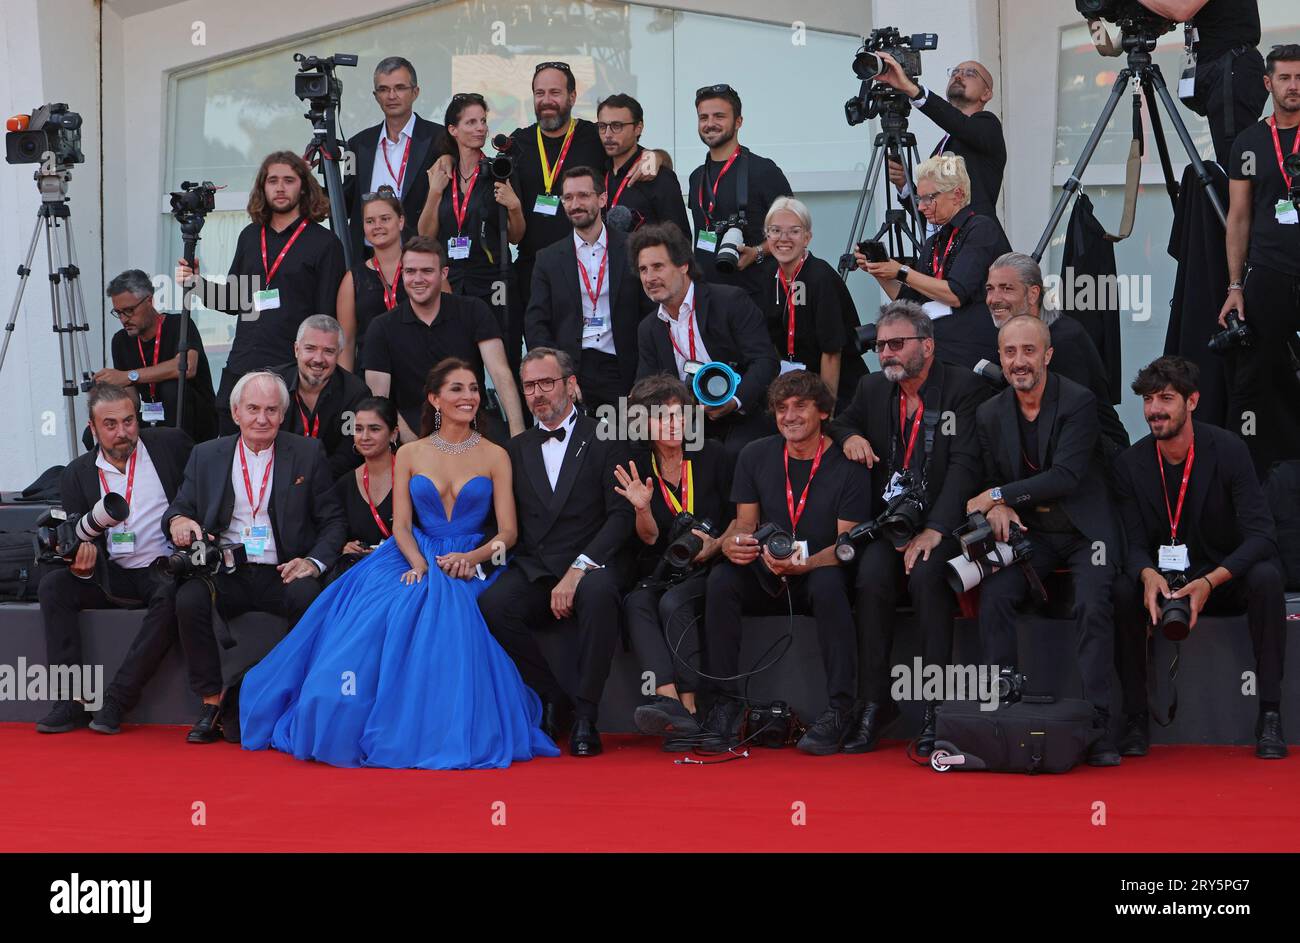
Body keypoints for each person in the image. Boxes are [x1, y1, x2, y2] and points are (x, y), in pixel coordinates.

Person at [239, 359, 559, 769]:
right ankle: (352, 715)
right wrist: (421, 564)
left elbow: (508, 533)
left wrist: (471, 557)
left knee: (454, 620)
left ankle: (432, 727)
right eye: (457, 389)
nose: (469, 397)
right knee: (382, 614)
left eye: (474, 389)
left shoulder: (496, 455)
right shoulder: (409, 453)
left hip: (470, 559)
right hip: (410, 555)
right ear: (434, 398)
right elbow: (402, 526)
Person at [827, 301, 989, 756]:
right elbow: (841, 421)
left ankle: (938, 708)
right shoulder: (872, 387)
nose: (886, 355)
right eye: (880, 346)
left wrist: (936, 529)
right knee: (872, 577)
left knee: (925, 575)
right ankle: (875, 703)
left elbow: (965, 464)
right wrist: (850, 437)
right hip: (890, 521)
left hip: (945, 519)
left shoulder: (963, 387)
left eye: (897, 344)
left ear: (928, 346)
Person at [1112, 356, 1287, 759]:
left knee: (1266, 577)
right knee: (1122, 586)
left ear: (1192, 402)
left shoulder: (1228, 450)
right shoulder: (1130, 464)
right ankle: (1136, 717)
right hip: (1162, 583)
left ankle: (1270, 713)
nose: (1154, 410)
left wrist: (1211, 581)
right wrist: (1146, 573)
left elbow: (1262, 535)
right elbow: (1131, 540)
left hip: (1217, 579)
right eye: (1149, 399)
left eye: (1166, 398)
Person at [690, 370, 869, 756]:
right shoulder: (755, 454)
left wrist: (806, 565)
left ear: (823, 412)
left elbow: (846, 544)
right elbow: (745, 523)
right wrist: (736, 544)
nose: (790, 416)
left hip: (819, 570)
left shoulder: (848, 462)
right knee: (721, 580)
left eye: (800, 406)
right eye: (781, 408)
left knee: (828, 585)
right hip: (767, 569)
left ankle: (840, 708)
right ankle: (723, 704)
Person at [969, 315, 1121, 766]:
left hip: (1084, 531)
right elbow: (984, 479)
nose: (1019, 361)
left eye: (1029, 351)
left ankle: (1099, 724)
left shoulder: (1079, 401)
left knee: (1093, 604)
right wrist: (997, 507)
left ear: (1048, 355)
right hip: (1031, 534)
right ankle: (1004, 713)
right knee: (994, 595)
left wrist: (997, 496)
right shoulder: (988, 413)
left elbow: (1067, 477)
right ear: (1000, 357)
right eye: (1010, 352)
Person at [164, 371, 346, 745]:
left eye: (271, 410)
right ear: (235, 413)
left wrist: (312, 563)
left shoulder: (307, 453)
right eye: (253, 409)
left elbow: (333, 522)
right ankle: (212, 703)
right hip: (228, 570)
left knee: (310, 599)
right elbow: (179, 509)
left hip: (284, 568)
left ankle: (298, 697)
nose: (262, 419)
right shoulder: (206, 455)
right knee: (188, 598)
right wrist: (180, 521)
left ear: (282, 415)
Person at [478, 347, 635, 757]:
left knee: (599, 595)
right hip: (535, 567)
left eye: (546, 383)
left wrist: (579, 569)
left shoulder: (607, 436)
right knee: (494, 603)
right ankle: (550, 695)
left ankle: (586, 714)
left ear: (571, 385)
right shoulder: (515, 448)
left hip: (591, 563)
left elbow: (620, 518)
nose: (537, 393)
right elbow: (503, 521)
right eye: (529, 386)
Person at [34, 384, 193, 735]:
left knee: (173, 595)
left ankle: (118, 699)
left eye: (129, 421)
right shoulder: (77, 472)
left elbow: (200, 486)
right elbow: (75, 531)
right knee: (54, 587)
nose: (122, 433)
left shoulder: (170, 446)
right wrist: (79, 556)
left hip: (163, 567)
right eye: (110, 425)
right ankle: (69, 699)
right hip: (111, 572)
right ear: (92, 429)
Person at [177, 151, 346, 435]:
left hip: (290, 369)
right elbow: (235, 300)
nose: (280, 188)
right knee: (229, 449)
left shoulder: (324, 243)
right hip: (242, 362)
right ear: (262, 187)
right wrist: (197, 283)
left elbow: (325, 317)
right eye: (273, 181)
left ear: (303, 186)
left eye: (289, 180)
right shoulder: (250, 235)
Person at [613, 375, 733, 741]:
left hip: (715, 565)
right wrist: (642, 508)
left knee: (672, 603)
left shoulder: (714, 454)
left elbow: (743, 517)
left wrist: (715, 545)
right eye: (662, 418)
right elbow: (649, 537)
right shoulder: (638, 465)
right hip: (666, 567)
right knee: (636, 602)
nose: (674, 425)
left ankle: (691, 705)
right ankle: (672, 705)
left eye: (679, 416)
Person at [631, 222, 778, 458]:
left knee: (731, 453)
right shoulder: (648, 328)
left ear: (683, 265)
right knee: (629, 442)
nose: (649, 278)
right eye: (643, 270)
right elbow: (645, 385)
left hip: (741, 412)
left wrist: (735, 401)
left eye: (658, 266)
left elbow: (765, 361)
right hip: (684, 422)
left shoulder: (730, 301)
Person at [1220, 44, 1300, 478]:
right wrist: (1235, 286)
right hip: (1267, 272)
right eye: (1285, 78)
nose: (1294, 86)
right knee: (1260, 374)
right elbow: (1239, 216)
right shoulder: (1250, 142)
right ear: (1268, 84)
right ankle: (1261, 471)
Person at [856, 153, 1010, 371]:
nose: (920, 207)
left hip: (968, 348)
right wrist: (879, 271)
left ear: (957, 194)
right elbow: (907, 300)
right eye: (919, 199)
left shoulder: (980, 228)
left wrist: (900, 270)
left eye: (929, 198)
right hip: (936, 343)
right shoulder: (936, 239)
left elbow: (956, 294)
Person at [364, 236, 524, 442]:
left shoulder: (474, 310)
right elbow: (380, 400)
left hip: (472, 420)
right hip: (414, 430)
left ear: (443, 274)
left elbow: (501, 374)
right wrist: (415, 447)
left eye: (427, 271)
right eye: (410, 271)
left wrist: (518, 435)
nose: (418, 279)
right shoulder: (381, 327)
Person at [524, 165, 649, 413]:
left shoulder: (632, 249)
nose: (575, 204)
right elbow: (536, 322)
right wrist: (555, 377)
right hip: (571, 369)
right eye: (568, 198)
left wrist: (643, 377)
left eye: (583, 196)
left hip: (624, 367)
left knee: (624, 445)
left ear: (602, 199)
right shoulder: (548, 259)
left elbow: (651, 313)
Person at [984, 252, 1130, 459]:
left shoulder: (1064, 339)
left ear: (1033, 294)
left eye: (1006, 289)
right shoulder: (1009, 334)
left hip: (1095, 461)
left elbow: (1071, 421)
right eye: (990, 289)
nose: (994, 299)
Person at [417, 93, 526, 368]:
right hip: (451, 281)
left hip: (493, 281)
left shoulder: (498, 170)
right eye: (471, 122)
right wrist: (434, 193)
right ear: (453, 130)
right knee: (457, 365)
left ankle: (509, 412)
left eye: (483, 121)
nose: (480, 128)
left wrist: (514, 207)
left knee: (505, 363)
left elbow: (516, 236)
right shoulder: (441, 171)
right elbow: (425, 237)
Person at [509, 63, 608, 341]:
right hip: (533, 269)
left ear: (573, 97)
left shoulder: (594, 137)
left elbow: (634, 152)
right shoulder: (519, 142)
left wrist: (657, 156)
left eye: (555, 92)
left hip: (588, 268)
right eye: (539, 93)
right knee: (541, 353)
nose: (546, 101)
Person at [756, 197, 867, 412]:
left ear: (807, 237)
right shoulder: (769, 276)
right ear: (767, 236)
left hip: (837, 389)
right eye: (775, 230)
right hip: (796, 387)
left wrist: (825, 411)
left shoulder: (820, 277)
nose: (784, 238)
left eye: (794, 231)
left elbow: (832, 352)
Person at [687, 84, 792, 303]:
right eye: (703, 117)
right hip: (707, 297)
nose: (710, 124)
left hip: (756, 298)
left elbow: (794, 233)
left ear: (738, 122)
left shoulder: (763, 171)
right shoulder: (696, 177)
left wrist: (757, 252)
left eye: (719, 116)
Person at [874, 54, 1006, 226]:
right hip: (946, 247)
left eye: (970, 73)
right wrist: (904, 186)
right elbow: (931, 216)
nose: (958, 76)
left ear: (986, 94)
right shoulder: (947, 141)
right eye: (954, 72)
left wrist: (913, 90)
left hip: (976, 245)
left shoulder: (988, 126)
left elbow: (961, 125)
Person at [1133, 0, 1267, 167]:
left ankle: (1237, 193)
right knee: (1229, 161)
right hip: (1216, 69)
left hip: (1234, 67)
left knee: (1234, 162)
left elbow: (1182, 10)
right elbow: (1109, 48)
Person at [343, 55, 446, 260]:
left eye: (400, 88)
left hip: (420, 257)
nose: (391, 96)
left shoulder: (440, 139)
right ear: (375, 96)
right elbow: (346, 201)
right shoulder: (356, 145)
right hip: (368, 260)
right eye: (383, 89)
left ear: (415, 92)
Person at [96, 269, 216, 443]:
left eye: (129, 310)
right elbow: (132, 400)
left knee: (171, 388)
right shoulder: (120, 341)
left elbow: (186, 367)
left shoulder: (179, 325)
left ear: (149, 301)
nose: (123, 319)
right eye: (118, 312)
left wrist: (129, 376)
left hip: (195, 422)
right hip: (153, 420)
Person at [272, 315, 371, 479]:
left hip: (331, 486)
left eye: (328, 351)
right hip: (275, 481)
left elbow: (351, 453)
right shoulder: (271, 385)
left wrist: (310, 480)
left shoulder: (356, 393)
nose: (318, 359)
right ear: (297, 350)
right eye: (310, 348)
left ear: (339, 353)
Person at [327, 396, 399, 584]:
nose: (364, 437)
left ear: (393, 434)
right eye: (358, 429)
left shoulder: (412, 478)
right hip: (359, 574)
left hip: (401, 570)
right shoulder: (344, 484)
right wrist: (345, 546)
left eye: (374, 429)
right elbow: (336, 530)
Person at [336, 187, 408, 373]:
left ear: (400, 221)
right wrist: (346, 390)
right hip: (371, 373)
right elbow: (347, 342)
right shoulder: (353, 279)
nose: (377, 226)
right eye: (370, 221)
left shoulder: (422, 269)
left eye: (385, 219)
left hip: (419, 372)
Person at [597, 93, 690, 235]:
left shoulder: (660, 178)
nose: (608, 134)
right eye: (602, 126)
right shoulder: (598, 171)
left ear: (638, 128)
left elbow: (680, 241)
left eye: (617, 126)